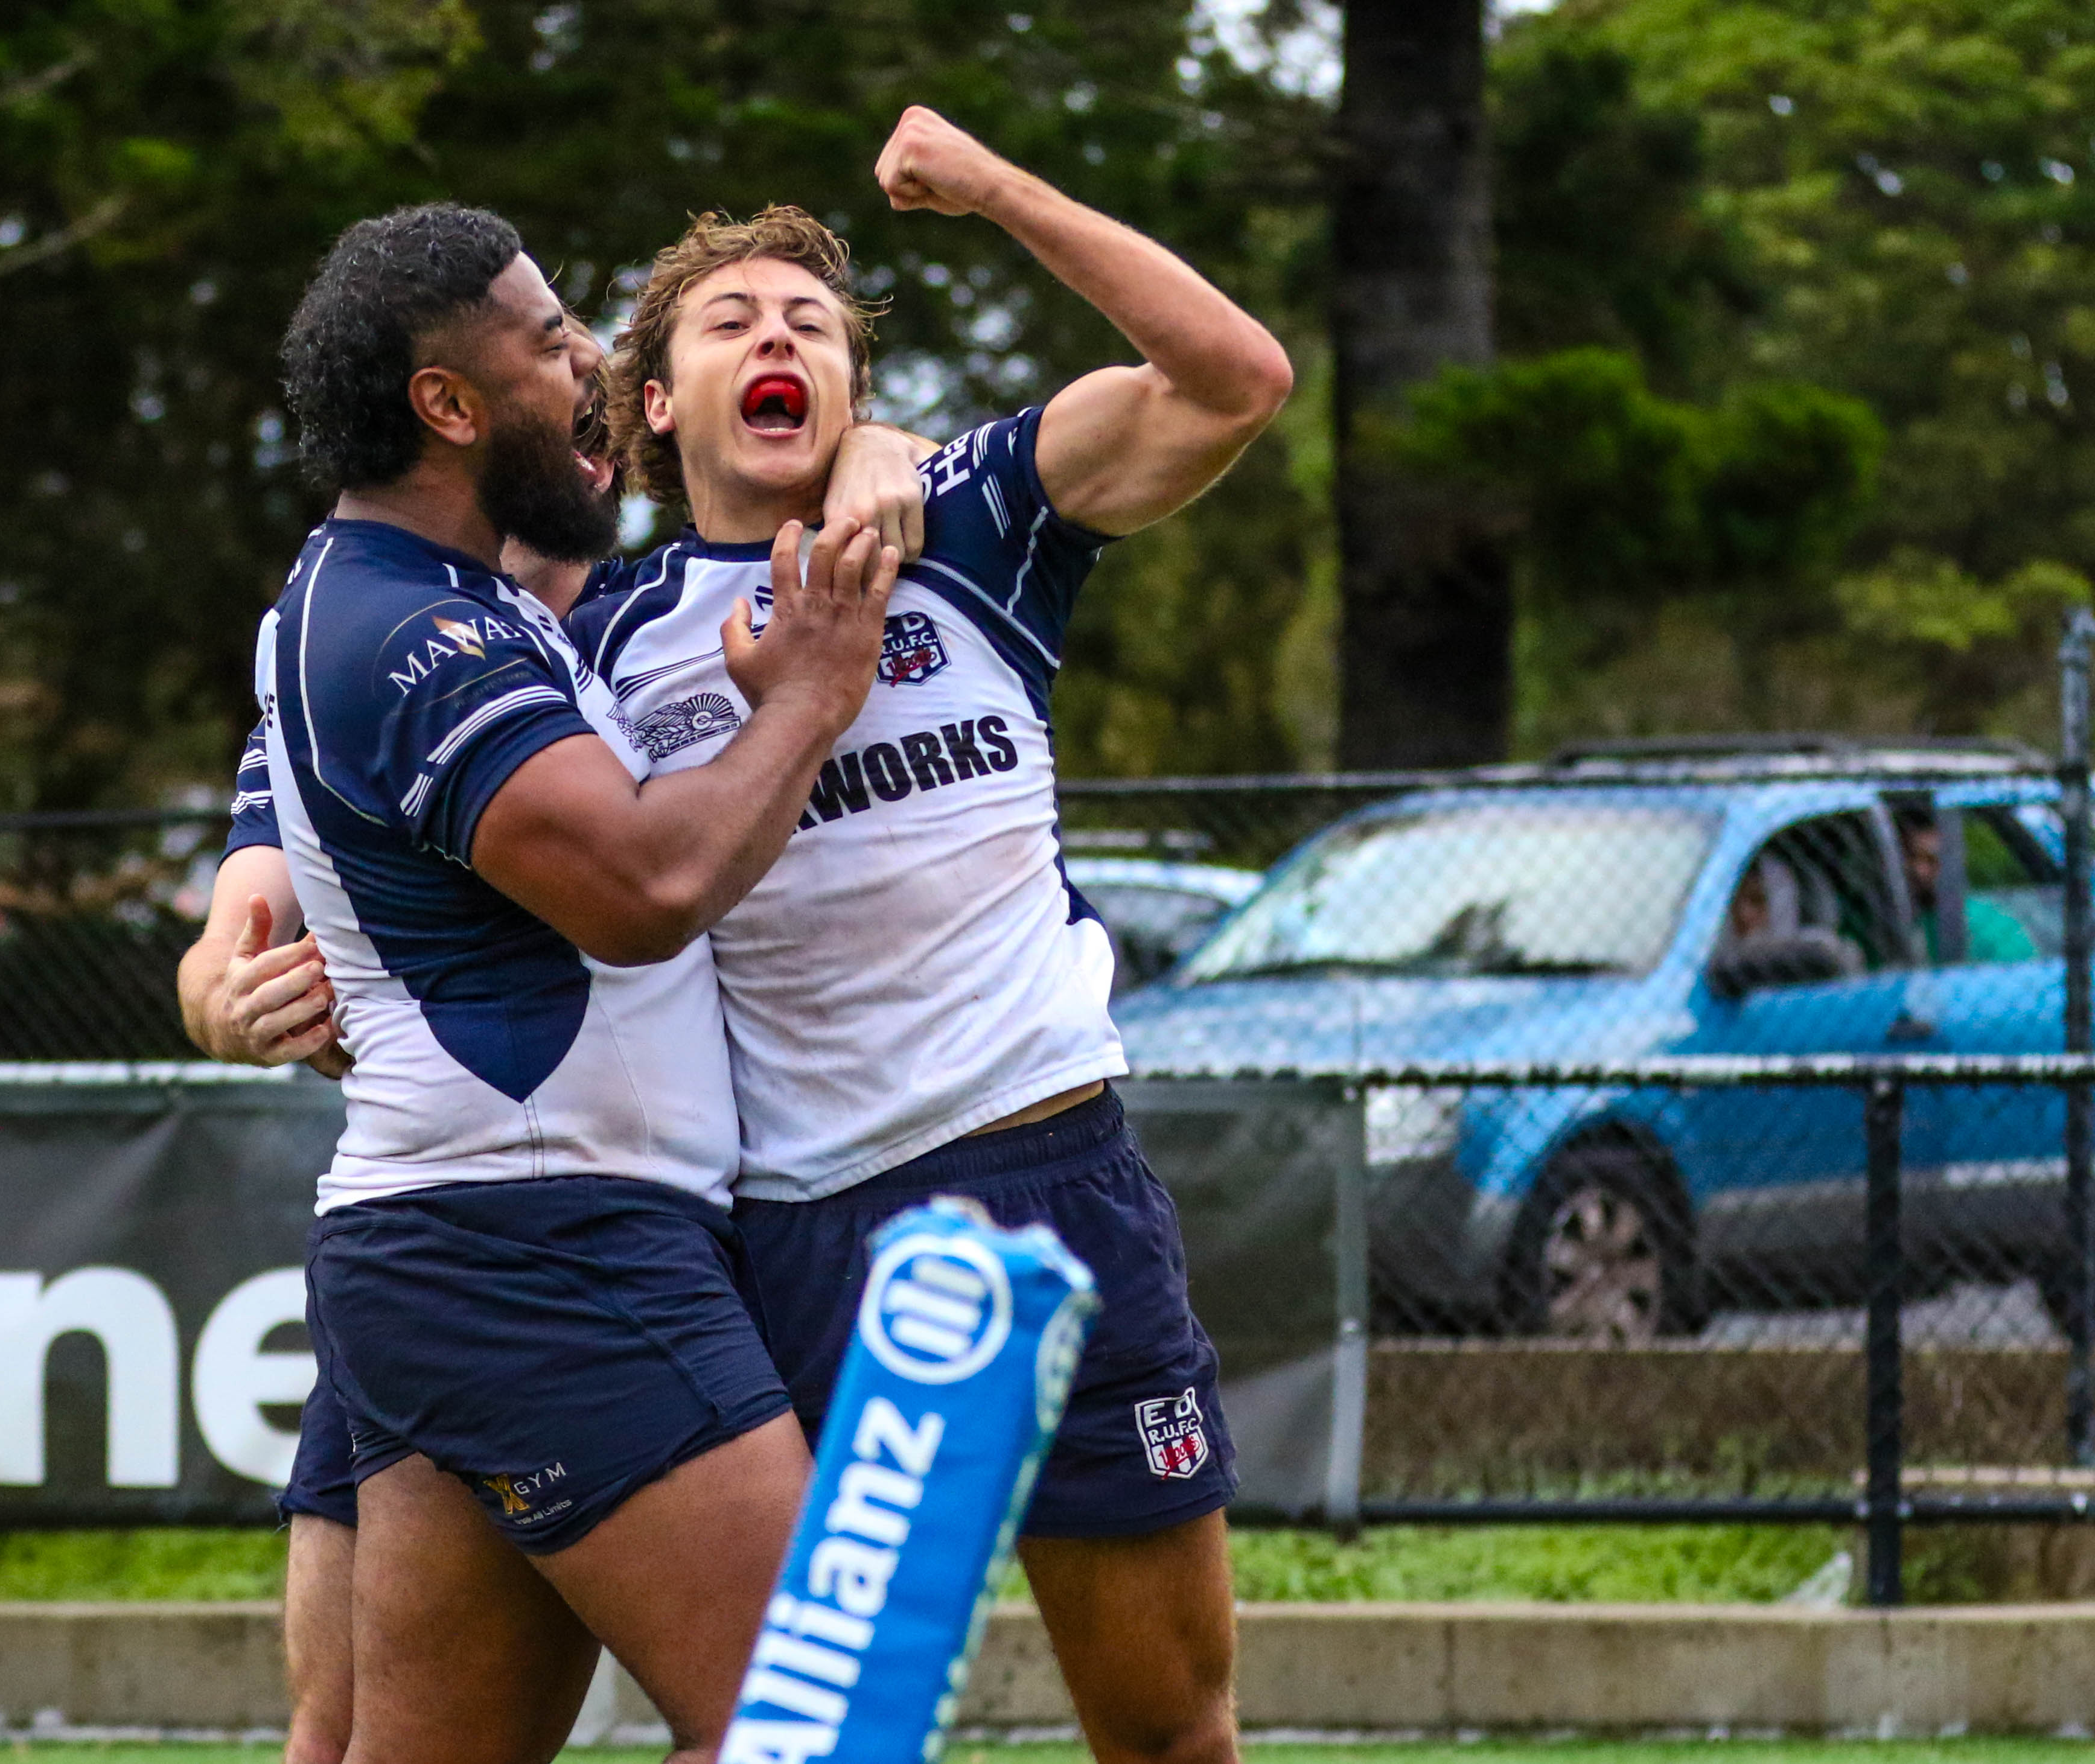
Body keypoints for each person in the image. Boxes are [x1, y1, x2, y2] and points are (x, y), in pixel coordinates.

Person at [571, 108, 1292, 1764]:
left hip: (1054, 1174)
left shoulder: (966, 519)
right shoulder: (599, 639)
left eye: (812, 324)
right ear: (654, 401)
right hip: (804, 1229)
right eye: (731, 321)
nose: (778, 338)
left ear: (849, 390)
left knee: (1168, 1731)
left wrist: (987, 188)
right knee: (800, 1734)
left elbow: (1234, 379)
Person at [179, 317, 930, 1763]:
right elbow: (257, 909)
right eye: (552, 377)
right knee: (809, 1724)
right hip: (526, 1237)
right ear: (463, 425)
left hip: (463, 1239)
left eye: (599, 422)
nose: (584, 423)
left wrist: (879, 453)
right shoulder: (399, 634)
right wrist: (224, 986)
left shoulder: (587, 630)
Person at [1894, 813, 2033, 964]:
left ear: (1955, 863)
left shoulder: (1992, 926)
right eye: (1911, 858)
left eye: (1932, 861)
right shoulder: (1889, 924)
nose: (1919, 871)